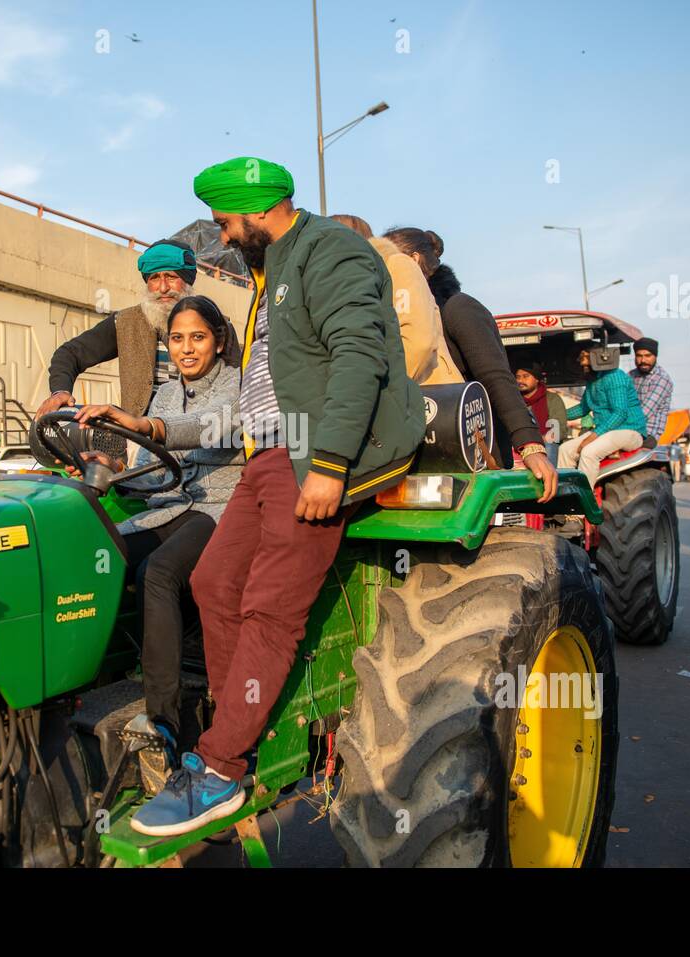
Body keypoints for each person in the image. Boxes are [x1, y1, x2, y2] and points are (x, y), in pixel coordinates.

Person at [130, 156, 429, 837]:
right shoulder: (274, 270)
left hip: (310, 456)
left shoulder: (331, 249)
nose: (225, 238)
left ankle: (222, 765)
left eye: (229, 223)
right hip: (265, 454)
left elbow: (360, 350)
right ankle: (246, 723)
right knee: (210, 582)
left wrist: (329, 463)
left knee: (269, 607)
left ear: (262, 211)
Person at [69, 295, 243, 792]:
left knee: (160, 572)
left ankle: (162, 722)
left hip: (218, 507)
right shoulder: (165, 394)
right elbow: (150, 466)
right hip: (169, 504)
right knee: (97, 556)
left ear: (219, 340)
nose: (186, 348)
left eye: (197, 337)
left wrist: (144, 426)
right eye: (177, 338)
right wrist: (113, 472)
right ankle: (86, 687)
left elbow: (213, 428)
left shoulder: (237, 386)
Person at [392, 229, 554, 477]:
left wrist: (530, 445)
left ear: (413, 261)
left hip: (473, 454)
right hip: (423, 450)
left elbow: (496, 376)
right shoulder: (401, 321)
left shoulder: (458, 308)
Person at [38, 240, 240, 419]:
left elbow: (236, 384)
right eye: (154, 278)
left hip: (201, 432)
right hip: (139, 439)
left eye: (170, 276)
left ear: (186, 281)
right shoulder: (125, 322)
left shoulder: (216, 324)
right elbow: (70, 353)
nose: (162, 288)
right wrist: (60, 392)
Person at [329, 215, 461, 385]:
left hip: (429, 398)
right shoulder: (349, 286)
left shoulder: (395, 265)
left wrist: (378, 390)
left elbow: (418, 343)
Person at [558, 345, 648, 485]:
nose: (581, 362)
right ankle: (567, 492)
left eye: (585, 357)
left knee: (589, 452)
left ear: (598, 357)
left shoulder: (615, 377)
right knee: (565, 450)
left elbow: (620, 413)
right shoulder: (592, 380)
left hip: (629, 430)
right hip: (606, 431)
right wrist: (556, 415)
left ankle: (585, 499)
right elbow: (583, 408)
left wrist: (593, 436)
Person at [515, 361, 568, 464]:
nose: (520, 381)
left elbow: (559, 430)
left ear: (537, 379)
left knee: (550, 444)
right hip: (520, 443)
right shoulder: (514, 400)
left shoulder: (552, 399)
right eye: (518, 377)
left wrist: (538, 441)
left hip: (545, 443)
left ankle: (548, 477)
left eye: (526, 376)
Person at [630, 337, 674, 444]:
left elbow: (644, 413)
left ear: (655, 356)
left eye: (648, 356)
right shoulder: (630, 375)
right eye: (639, 356)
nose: (643, 360)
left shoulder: (661, 378)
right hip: (629, 430)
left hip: (647, 435)